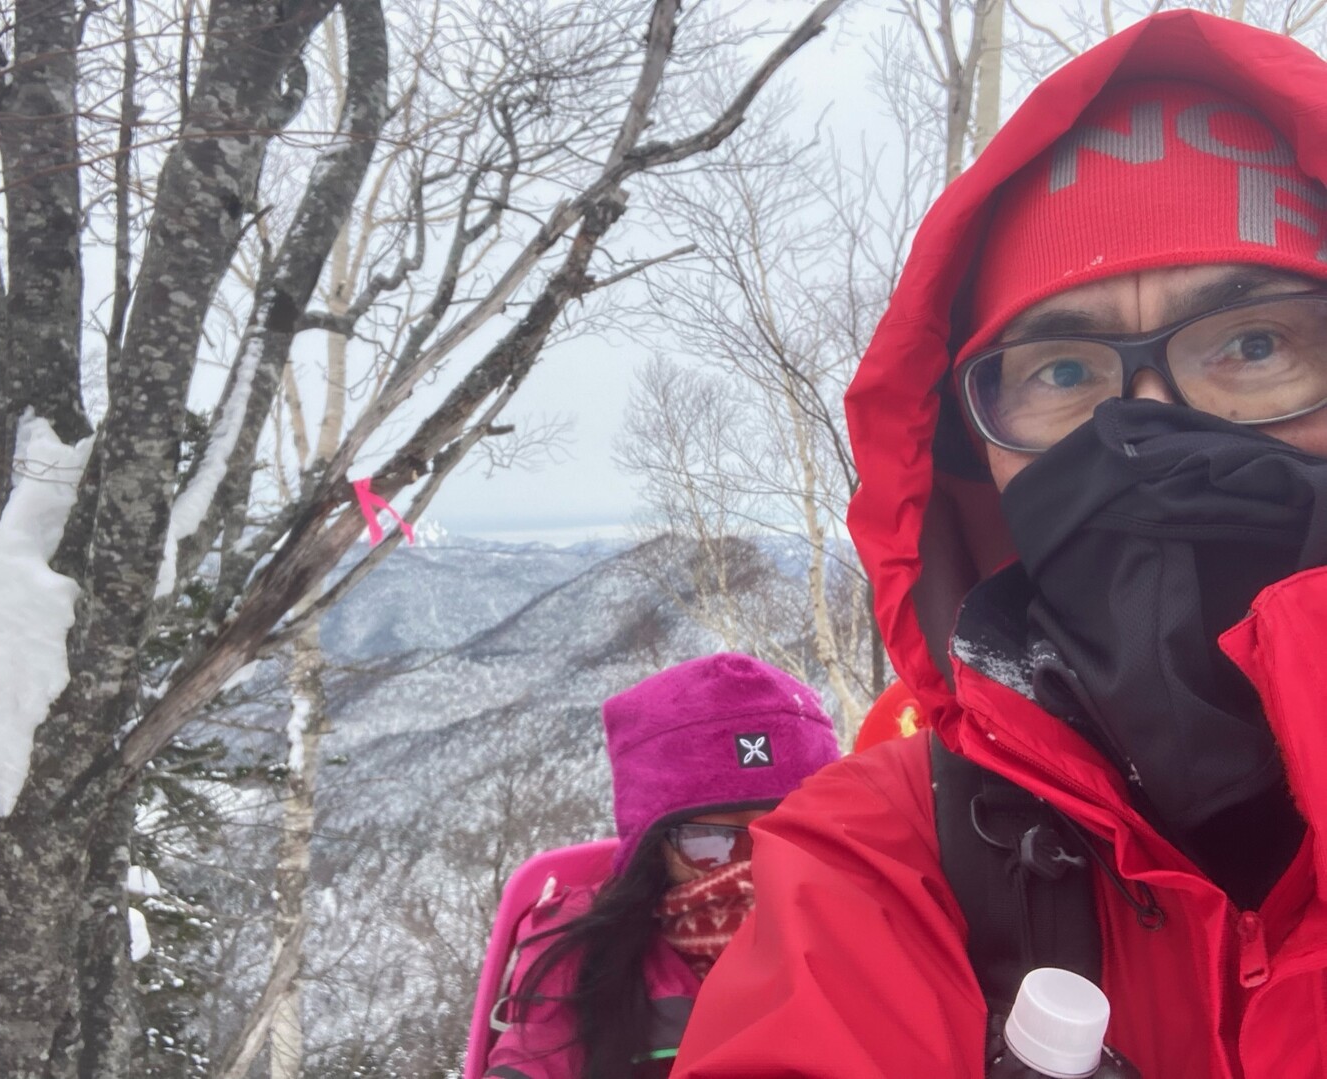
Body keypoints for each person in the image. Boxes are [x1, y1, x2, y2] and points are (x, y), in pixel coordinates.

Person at [672, 11, 1327, 1079]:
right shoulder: (884, 856)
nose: (1144, 425)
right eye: (1063, 371)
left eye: (1255, 343)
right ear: (973, 455)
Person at [482, 653, 839, 1079]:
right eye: (711, 843)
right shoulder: (580, 965)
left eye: (787, 835)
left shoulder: (876, 934)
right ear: (653, 851)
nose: (752, 868)